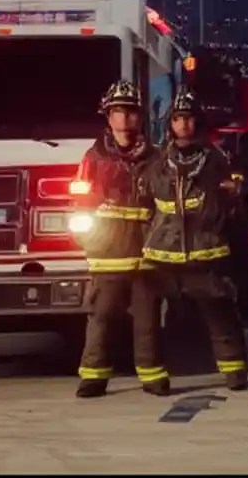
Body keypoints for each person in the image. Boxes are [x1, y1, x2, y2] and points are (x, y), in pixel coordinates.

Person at [138, 87, 248, 391]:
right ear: (170, 124)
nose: (184, 124)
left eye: (189, 119)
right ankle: (152, 377)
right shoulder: (158, 163)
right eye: (178, 118)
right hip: (163, 253)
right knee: (148, 316)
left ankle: (234, 372)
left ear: (197, 122)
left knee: (220, 312)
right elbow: (146, 204)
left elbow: (234, 204)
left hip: (206, 251)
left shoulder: (216, 160)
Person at [72, 79, 165, 398]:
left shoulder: (156, 159)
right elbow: (80, 201)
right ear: (107, 117)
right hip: (107, 253)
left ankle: (152, 377)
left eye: (129, 112)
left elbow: (165, 204)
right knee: (102, 317)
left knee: (147, 320)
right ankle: (93, 378)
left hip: (146, 254)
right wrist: (88, 241)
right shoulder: (93, 158)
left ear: (139, 117)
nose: (124, 119)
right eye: (117, 112)